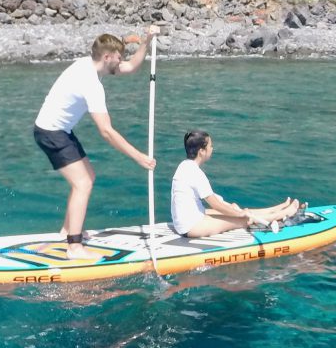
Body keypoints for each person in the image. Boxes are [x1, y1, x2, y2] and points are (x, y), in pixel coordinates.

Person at [34, 29, 157, 259]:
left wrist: (146, 42)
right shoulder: (91, 84)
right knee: (83, 184)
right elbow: (107, 132)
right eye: (118, 57)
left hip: (58, 130)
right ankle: (74, 247)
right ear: (107, 56)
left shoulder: (88, 64)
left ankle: (67, 231)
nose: (121, 61)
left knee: (87, 177)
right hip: (51, 132)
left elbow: (131, 67)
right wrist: (138, 157)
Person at [170, 129, 299, 238]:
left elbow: (213, 197)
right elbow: (215, 204)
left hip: (186, 222)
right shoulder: (196, 173)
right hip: (192, 226)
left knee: (236, 211)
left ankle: (276, 209)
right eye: (210, 146)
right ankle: (283, 214)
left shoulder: (184, 166)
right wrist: (238, 214)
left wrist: (231, 208)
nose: (212, 149)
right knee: (243, 219)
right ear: (202, 151)